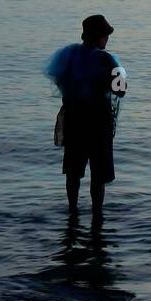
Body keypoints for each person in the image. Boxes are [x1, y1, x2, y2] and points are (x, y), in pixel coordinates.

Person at [44, 15, 127, 217]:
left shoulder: (68, 55)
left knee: (73, 170)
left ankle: (72, 211)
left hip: (74, 119)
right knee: (98, 173)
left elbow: (58, 79)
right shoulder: (106, 59)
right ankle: (97, 214)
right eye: (106, 36)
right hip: (98, 121)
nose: (107, 40)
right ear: (100, 37)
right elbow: (121, 90)